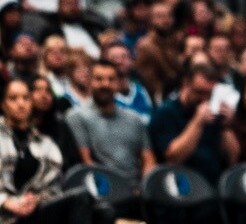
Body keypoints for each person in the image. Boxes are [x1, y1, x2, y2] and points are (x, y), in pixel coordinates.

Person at [0, 78, 98, 224]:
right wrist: (6, 202)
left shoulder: (44, 142)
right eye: (13, 98)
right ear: (3, 104)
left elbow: (54, 186)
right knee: (80, 197)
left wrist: (36, 199)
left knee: (102, 210)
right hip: (5, 212)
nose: (21, 104)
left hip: (34, 210)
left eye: (26, 98)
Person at [149, 58, 239, 182]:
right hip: (181, 183)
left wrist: (226, 126)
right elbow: (173, 159)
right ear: (186, 84)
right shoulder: (165, 113)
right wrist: (197, 122)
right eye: (199, 92)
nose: (204, 99)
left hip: (213, 182)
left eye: (209, 94)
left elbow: (233, 158)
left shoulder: (213, 112)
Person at [67, 58, 156, 183]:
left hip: (135, 187)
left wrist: (145, 185)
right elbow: (86, 162)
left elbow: (148, 159)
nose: (105, 84)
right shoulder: (77, 116)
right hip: (101, 186)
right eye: (99, 79)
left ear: (118, 83)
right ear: (89, 82)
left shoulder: (134, 119)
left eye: (111, 79)